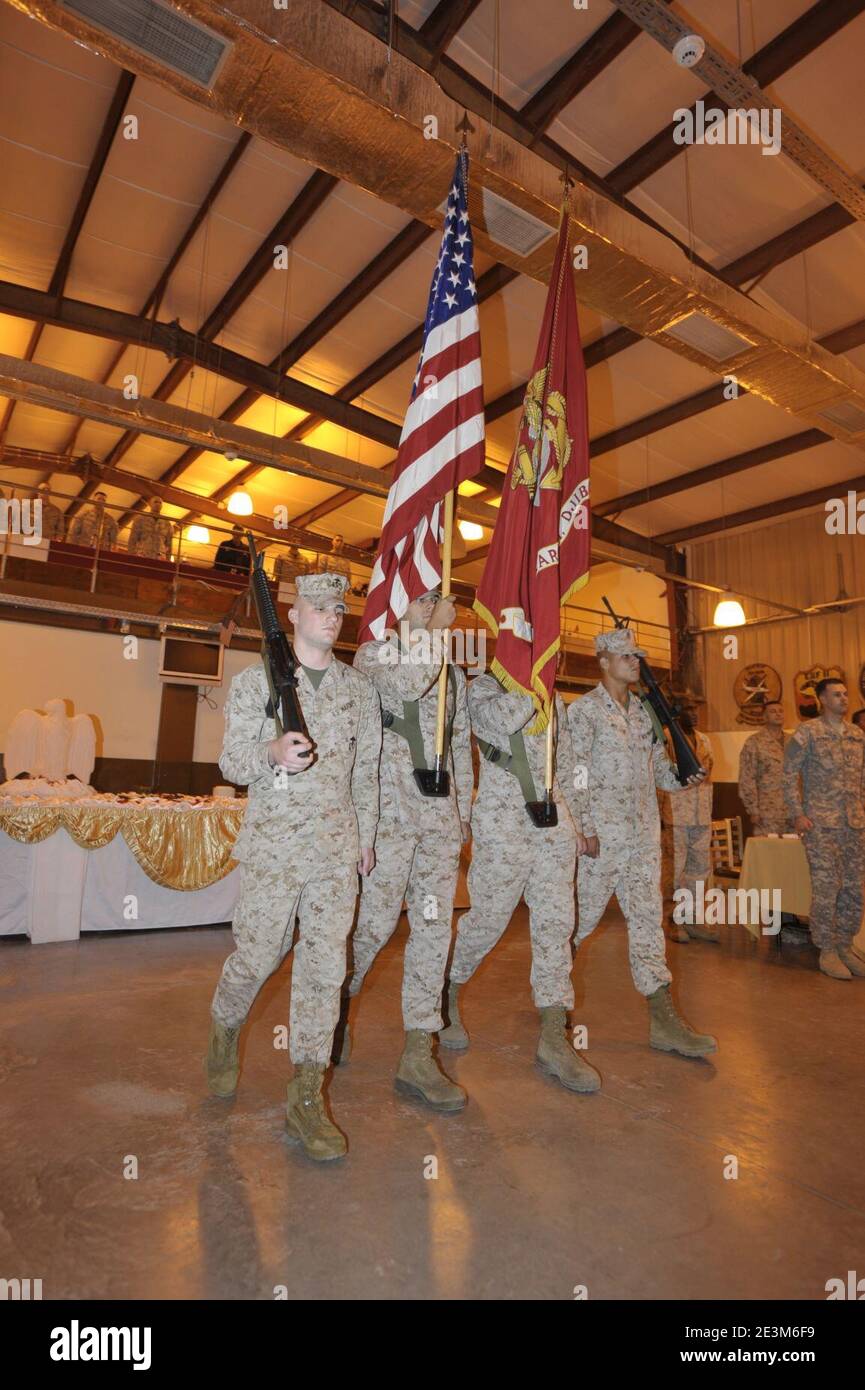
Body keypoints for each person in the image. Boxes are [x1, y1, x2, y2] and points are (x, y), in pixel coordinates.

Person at [206, 572, 382, 1161]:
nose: (333, 616)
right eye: (320, 607)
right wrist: (271, 752)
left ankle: (306, 1094)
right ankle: (226, 1026)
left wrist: (367, 837)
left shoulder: (361, 691)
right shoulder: (256, 680)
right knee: (257, 955)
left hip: (336, 850)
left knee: (325, 968)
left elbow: (368, 772)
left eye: (340, 608)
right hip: (276, 848)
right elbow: (231, 761)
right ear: (293, 613)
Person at [441, 668, 600, 1092]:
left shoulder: (555, 697)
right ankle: (448, 992)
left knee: (555, 926)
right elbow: (498, 722)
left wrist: (581, 824)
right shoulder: (484, 688)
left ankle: (553, 1036)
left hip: (554, 821)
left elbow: (565, 765)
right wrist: (533, 690)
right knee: (488, 921)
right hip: (503, 821)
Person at [347, 590, 472, 1111]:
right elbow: (406, 683)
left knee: (433, 930)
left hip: (438, 818)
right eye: (419, 600)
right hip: (390, 817)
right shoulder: (374, 657)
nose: (430, 607)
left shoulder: (453, 674)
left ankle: (418, 1050)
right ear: (395, 608)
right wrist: (435, 633)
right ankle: (337, 1001)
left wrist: (462, 811)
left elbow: (459, 741)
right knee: (373, 928)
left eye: (436, 600)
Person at [567, 629, 717, 1059]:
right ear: (603, 659)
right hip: (601, 840)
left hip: (642, 839)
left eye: (638, 655)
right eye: (627, 655)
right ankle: (553, 1005)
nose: (636, 661)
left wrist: (683, 778)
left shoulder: (646, 713)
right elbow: (574, 773)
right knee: (576, 925)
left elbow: (659, 773)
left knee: (649, 925)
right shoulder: (584, 712)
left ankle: (663, 1020)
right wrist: (584, 827)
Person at [783, 677, 865, 980]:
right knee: (827, 888)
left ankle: (845, 945)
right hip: (821, 824)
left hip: (854, 824)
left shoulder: (857, 735)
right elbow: (789, 774)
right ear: (822, 699)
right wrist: (797, 813)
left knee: (854, 889)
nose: (844, 699)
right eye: (837, 694)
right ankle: (827, 950)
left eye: (845, 694)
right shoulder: (808, 733)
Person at [739, 700, 807, 946]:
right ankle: (774, 923)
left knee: (790, 866)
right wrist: (753, 810)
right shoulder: (754, 743)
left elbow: (802, 776)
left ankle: (790, 918)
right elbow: (747, 778)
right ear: (763, 716)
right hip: (767, 814)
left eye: (781, 710)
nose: (778, 713)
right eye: (773, 711)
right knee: (770, 868)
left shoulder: (793, 742)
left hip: (793, 815)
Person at [660, 704, 717, 944]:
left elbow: (708, 772)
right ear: (676, 713)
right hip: (676, 812)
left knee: (700, 869)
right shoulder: (666, 737)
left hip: (701, 812)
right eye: (688, 710)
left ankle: (693, 918)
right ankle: (673, 920)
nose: (694, 714)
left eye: (696, 710)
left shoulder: (704, 739)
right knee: (675, 870)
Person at [127, 496, 173, 561]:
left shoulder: (167, 523)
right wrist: (130, 557)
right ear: (150, 504)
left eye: (160, 503)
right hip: (143, 555)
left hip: (159, 557)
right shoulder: (140, 519)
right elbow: (132, 539)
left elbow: (169, 544)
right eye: (155, 502)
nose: (158, 504)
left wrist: (168, 560)